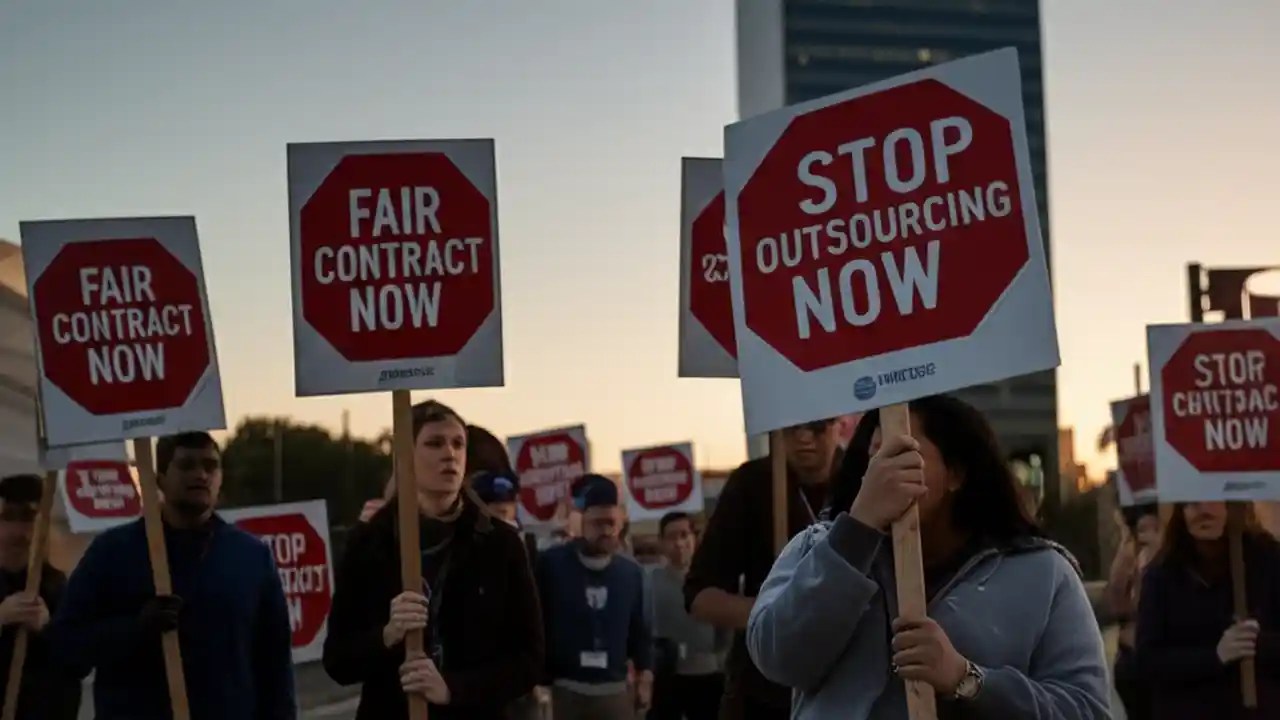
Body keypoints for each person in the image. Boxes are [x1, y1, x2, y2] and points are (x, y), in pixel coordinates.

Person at [745, 395, 1111, 719]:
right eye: (874, 459)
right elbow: (778, 658)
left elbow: (1086, 709)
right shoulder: (819, 548)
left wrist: (967, 679)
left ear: (955, 473)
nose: (883, 474)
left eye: (901, 456)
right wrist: (855, 535)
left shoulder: (1043, 573)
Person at [323, 400, 543, 720]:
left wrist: (453, 688)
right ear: (406, 456)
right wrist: (388, 633)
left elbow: (529, 661)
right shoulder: (370, 542)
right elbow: (338, 661)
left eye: (458, 444)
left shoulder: (500, 544)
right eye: (434, 443)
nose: (449, 454)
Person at [52, 432, 296, 719]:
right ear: (160, 478)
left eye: (210, 466)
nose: (201, 475)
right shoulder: (113, 551)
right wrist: (134, 629)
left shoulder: (251, 557)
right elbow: (65, 645)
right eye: (186, 465)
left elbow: (274, 663)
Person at [684, 418, 843, 719]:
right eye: (791, 427)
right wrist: (775, 615)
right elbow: (698, 596)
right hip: (765, 692)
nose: (804, 437)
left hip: (849, 688)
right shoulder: (752, 483)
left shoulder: (864, 479)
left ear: (840, 423)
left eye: (817, 426)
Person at [1135, 501, 1280, 719]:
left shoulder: (1267, 560)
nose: (1204, 511)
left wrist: (1256, 643)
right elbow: (1148, 661)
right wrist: (1214, 656)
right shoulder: (1162, 574)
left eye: (1213, 499)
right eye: (1192, 503)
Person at [537, 474, 653, 719]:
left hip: (614, 690)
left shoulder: (631, 573)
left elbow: (640, 631)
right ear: (582, 523)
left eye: (611, 523)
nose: (606, 530)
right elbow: (537, 624)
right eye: (598, 523)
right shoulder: (551, 564)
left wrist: (645, 676)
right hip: (564, 690)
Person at [0, 474, 80, 719]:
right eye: (7, 517)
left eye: (28, 518)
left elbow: (78, 661)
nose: (18, 531)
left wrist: (49, 629)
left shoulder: (57, 585)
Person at [648, 511, 728, 720]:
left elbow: (725, 629)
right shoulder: (650, 582)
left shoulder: (712, 579)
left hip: (707, 676)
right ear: (661, 542)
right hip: (666, 677)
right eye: (672, 537)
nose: (679, 543)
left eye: (684, 535)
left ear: (695, 538)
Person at [1108, 502, 1159, 720]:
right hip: (1134, 657)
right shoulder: (1132, 553)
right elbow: (1115, 601)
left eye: (1155, 529)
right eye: (1143, 530)